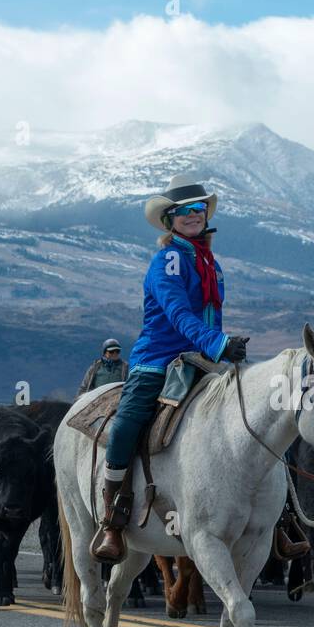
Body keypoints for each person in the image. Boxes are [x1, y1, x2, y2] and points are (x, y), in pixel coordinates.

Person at [90, 175, 249, 562]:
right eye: (183, 212)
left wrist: (222, 347)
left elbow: (211, 315)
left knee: (257, 412)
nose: (193, 216)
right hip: (159, 358)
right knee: (127, 423)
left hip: (204, 359)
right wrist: (217, 344)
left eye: (198, 209)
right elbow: (177, 313)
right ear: (170, 221)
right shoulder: (168, 260)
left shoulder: (212, 264)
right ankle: (112, 519)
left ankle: (273, 515)